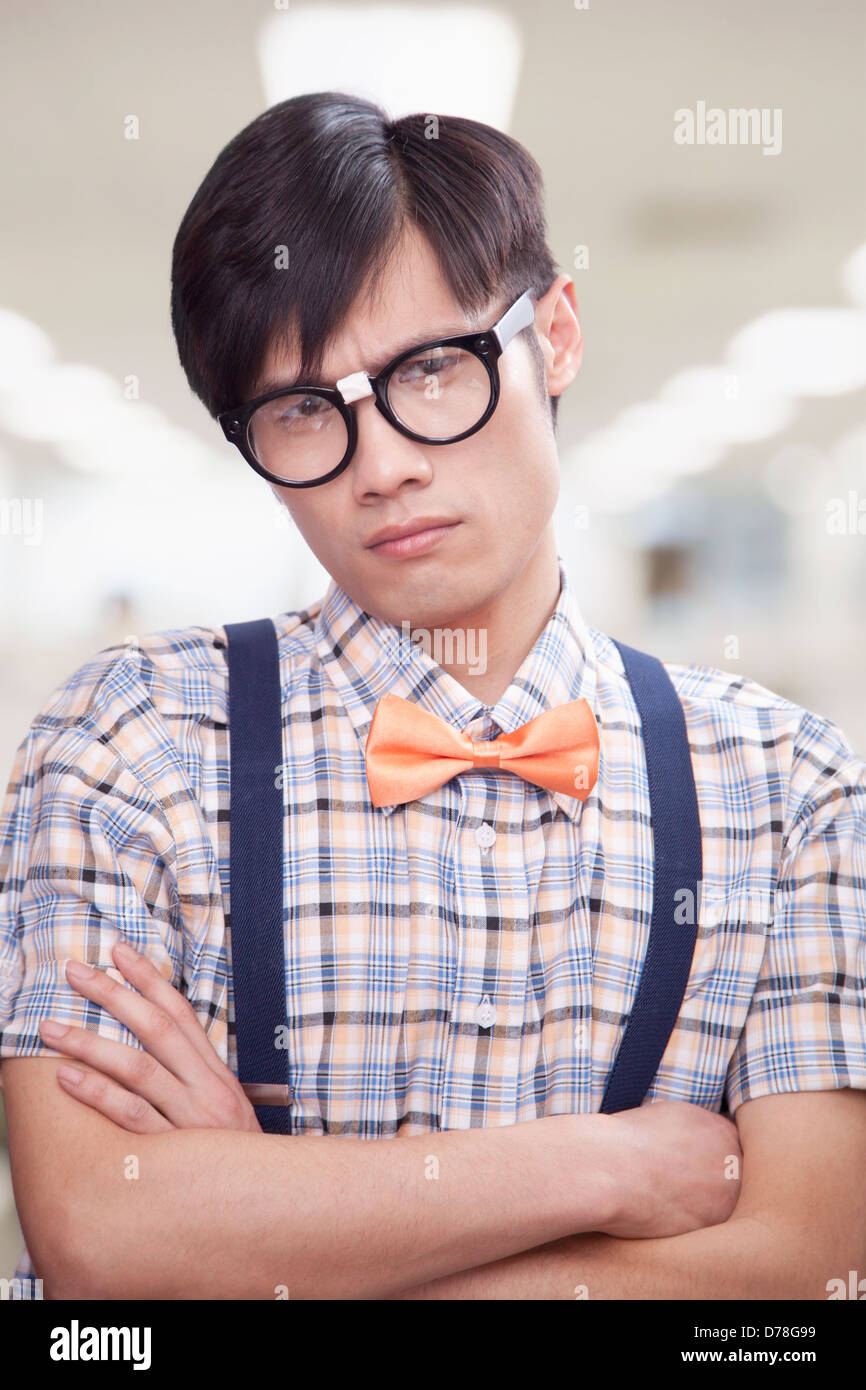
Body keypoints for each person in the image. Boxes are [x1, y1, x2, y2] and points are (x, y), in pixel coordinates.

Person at [1, 92, 865, 1302]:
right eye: (305, 411)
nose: (387, 463)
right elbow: (101, 1233)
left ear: (553, 336)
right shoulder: (128, 743)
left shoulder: (787, 789)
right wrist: (605, 1170)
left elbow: (803, 1272)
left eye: (432, 370)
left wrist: (269, 1224)